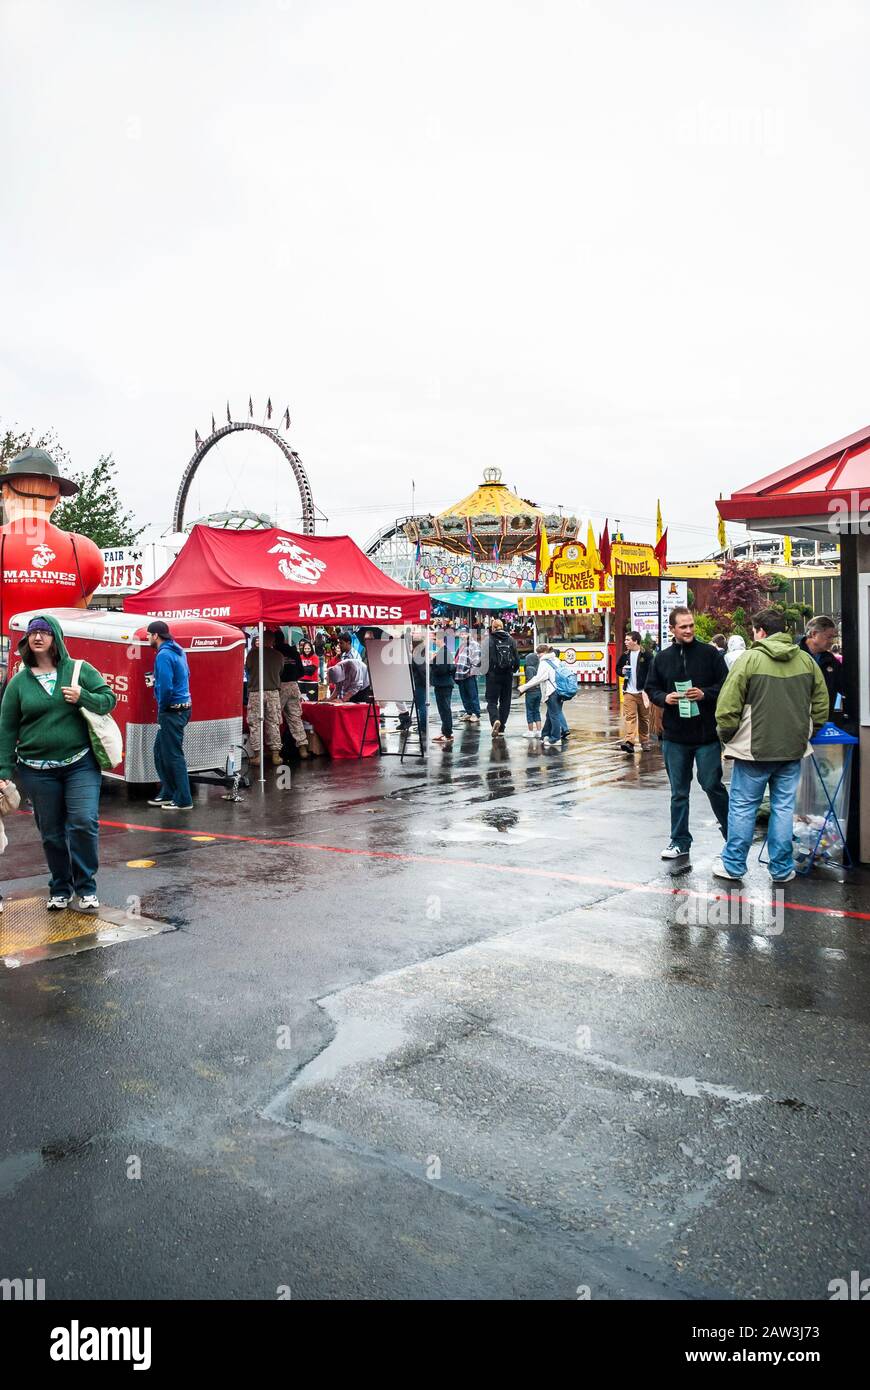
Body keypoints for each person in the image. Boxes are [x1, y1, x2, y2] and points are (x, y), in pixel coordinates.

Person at [0, 614, 116, 910]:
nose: (38, 637)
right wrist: (3, 772)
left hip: (80, 764)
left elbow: (108, 700)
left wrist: (83, 696)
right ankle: (60, 887)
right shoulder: (18, 683)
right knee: (51, 833)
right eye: (33, 633)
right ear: (26, 641)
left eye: (44, 632)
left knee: (83, 822)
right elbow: (6, 729)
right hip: (37, 771)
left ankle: (86, 886)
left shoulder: (79, 670)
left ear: (56, 638)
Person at [713, 608, 829, 885]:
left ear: (761, 631)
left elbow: (727, 707)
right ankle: (781, 868)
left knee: (742, 807)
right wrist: (806, 734)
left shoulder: (749, 660)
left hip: (754, 749)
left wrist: (727, 737)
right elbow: (821, 706)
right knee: (783, 807)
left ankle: (734, 865)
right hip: (793, 748)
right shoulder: (806, 661)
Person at [645, 606, 730, 862]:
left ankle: (733, 836)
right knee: (679, 792)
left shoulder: (710, 654)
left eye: (691, 625)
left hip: (706, 736)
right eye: (683, 626)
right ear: (672, 629)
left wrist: (705, 693)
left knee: (712, 784)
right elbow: (651, 688)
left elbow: (726, 685)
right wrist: (664, 697)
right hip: (674, 737)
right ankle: (680, 840)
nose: (689, 630)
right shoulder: (662, 658)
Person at [146, 620, 193, 809]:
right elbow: (186, 674)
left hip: (171, 710)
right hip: (183, 707)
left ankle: (183, 799)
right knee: (160, 751)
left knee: (173, 755)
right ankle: (168, 792)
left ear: (156, 635)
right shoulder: (178, 650)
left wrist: (162, 706)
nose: (148, 638)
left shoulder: (163, 655)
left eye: (149, 635)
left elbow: (165, 686)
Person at [245, 629, 285, 766]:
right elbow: (281, 671)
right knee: (273, 722)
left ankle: (257, 755)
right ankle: (275, 754)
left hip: (256, 692)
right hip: (273, 692)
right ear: (273, 641)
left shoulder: (252, 654)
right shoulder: (279, 656)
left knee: (255, 723)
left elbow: (248, 669)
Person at [519, 645, 566, 747]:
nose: (538, 656)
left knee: (553, 716)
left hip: (551, 692)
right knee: (550, 715)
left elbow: (538, 678)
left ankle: (556, 739)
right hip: (561, 691)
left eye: (538, 654)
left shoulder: (544, 663)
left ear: (543, 653)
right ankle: (545, 735)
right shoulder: (556, 660)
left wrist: (524, 687)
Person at [799, 616, 845, 716]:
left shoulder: (831, 660)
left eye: (834, 637)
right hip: (800, 720)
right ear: (814, 634)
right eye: (829, 637)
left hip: (825, 720)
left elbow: (844, 687)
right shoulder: (794, 657)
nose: (832, 641)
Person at [274, 631, 310, 760]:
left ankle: (276, 751)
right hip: (294, 686)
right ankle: (302, 748)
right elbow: (301, 671)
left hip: (280, 686)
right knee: (295, 717)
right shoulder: (294, 652)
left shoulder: (274, 653)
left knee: (275, 719)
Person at [617, 631, 652, 753]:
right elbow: (617, 669)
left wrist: (648, 688)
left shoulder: (646, 655)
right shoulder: (625, 655)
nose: (626, 642)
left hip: (643, 692)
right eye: (625, 640)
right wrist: (622, 671)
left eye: (628, 640)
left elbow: (652, 671)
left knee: (644, 718)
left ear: (635, 641)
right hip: (629, 691)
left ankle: (645, 741)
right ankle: (630, 742)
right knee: (630, 717)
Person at [484, 618, 519, 736]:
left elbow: (483, 660)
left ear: (492, 628)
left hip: (493, 676)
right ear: (503, 627)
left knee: (492, 701)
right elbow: (517, 659)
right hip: (507, 676)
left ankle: (495, 720)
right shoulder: (511, 640)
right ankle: (502, 727)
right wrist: (512, 670)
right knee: (505, 702)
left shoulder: (488, 640)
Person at [430, 631, 456, 743]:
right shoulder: (444, 652)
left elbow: (441, 670)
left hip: (443, 684)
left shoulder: (443, 653)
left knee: (445, 709)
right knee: (444, 709)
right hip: (444, 684)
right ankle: (445, 731)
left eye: (435, 639)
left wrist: (432, 662)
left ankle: (448, 733)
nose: (434, 641)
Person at [454, 628, 481, 722]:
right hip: (460, 674)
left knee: (472, 694)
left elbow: (476, 659)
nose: (462, 636)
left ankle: (476, 713)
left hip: (469, 674)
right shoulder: (462, 645)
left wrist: (472, 671)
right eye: (461, 634)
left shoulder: (474, 644)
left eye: (464, 634)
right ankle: (469, 712)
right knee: (464, 694)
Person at [521, 646, 542, 739]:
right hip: (539, 692)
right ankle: (539, 730)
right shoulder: (539, 667)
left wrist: (523, 689)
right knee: (536, 711)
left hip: (531, 693)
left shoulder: (529, 668)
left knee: (529, 711)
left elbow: (530, 681)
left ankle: (530, 731)